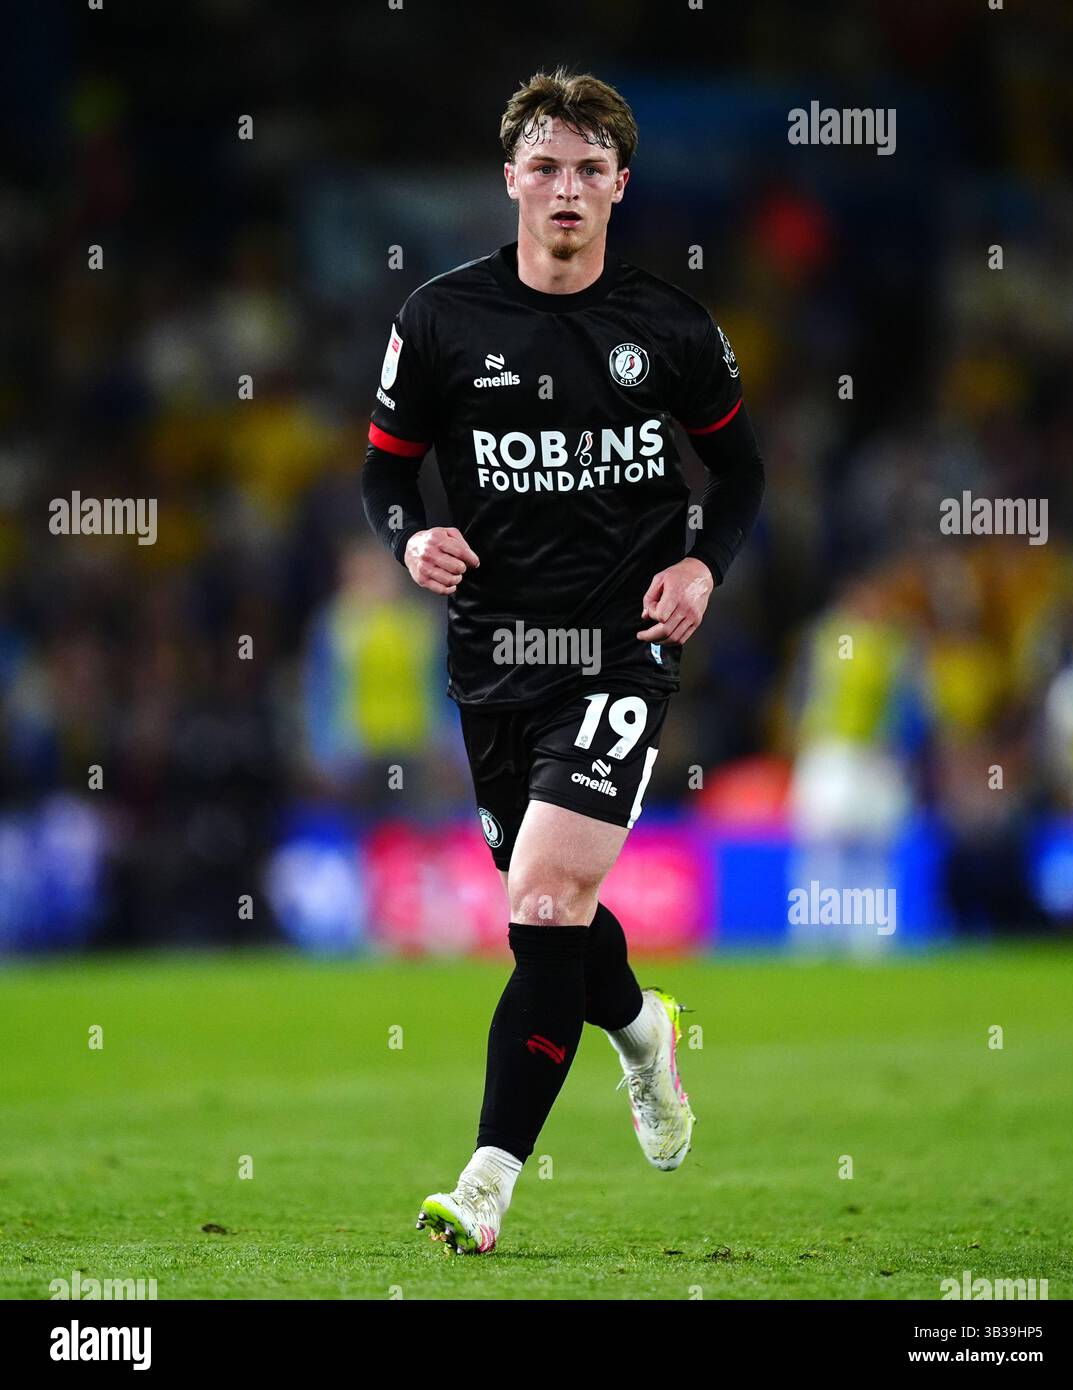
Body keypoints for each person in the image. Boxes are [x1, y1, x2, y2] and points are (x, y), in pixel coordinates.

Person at [361, 66, 764, 1255]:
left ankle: (484, 1183)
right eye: (546, 166)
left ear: (621, 186)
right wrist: (411, 534)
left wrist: (701, 569)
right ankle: (642, 1029)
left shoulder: (672, 330)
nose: (567, 190)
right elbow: (385, 468)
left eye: (591, 169)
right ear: (510, 180)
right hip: (492, 657)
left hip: (618, 655)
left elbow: (738, 473)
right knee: (554, 922)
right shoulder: (438, 319)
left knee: (540, 900)